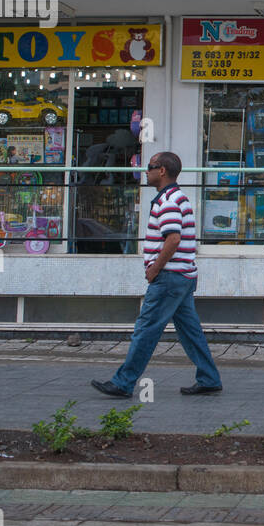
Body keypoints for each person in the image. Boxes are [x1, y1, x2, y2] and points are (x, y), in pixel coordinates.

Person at [92, 151, 223, 398]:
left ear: (162, 170)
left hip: (169, 278)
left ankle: (123, 382)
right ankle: (209, 378)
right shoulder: (176, 197)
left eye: (150, 166)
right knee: (190, 331)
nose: (146, 170)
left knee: (146, 329)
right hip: (182, 277)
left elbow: (173, 239)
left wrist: (155, 268)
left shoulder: (169, 201)